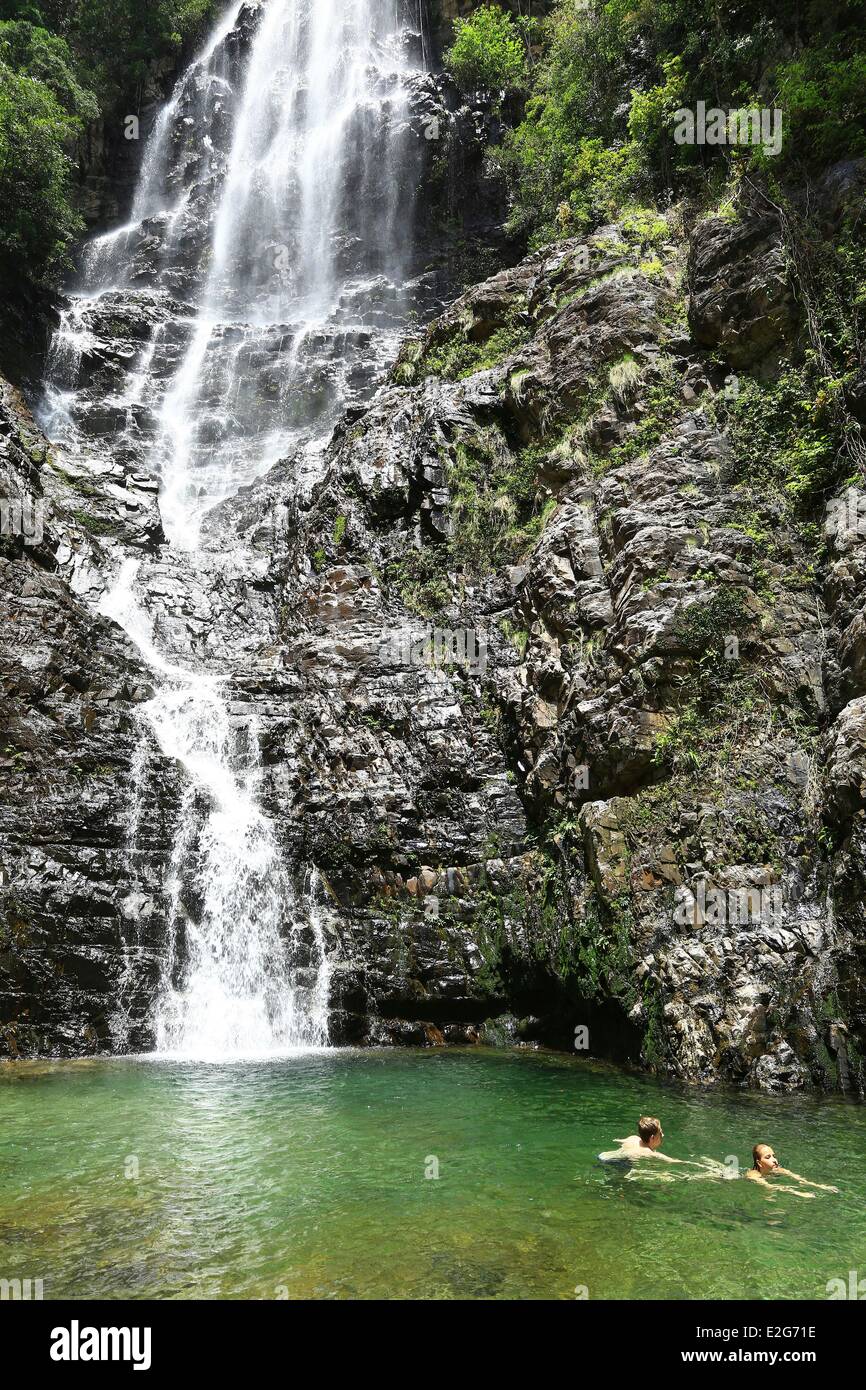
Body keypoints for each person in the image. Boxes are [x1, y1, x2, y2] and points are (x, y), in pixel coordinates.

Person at [599, 1115, 697, 1165]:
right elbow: (672, 1161)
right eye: (660, 1133)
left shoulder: (634, 1138)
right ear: (652, 1138)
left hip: (603, 1156)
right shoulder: (648, 1153)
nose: (663, 1135)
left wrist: (617, 1140)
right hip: (618, 1164)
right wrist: (694, 1164)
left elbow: (619, 1141)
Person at [744, 1142, 838, 1195]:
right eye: (768, 1157)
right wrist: (799, 1193)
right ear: (759, 1163)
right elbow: (770, 1187)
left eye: (774, 1156)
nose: (774, 1160)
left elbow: (800, 1179)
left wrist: (821, 1187)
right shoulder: (753, 1175)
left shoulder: (778, 1170)